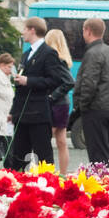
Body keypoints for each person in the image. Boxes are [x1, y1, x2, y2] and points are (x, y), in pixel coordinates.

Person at [5, 17, 68, 170]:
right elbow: (19, 89)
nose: (23, 32)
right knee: (18, 154)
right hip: (22, 113)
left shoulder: (49, 53)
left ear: (32, 30)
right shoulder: (26, 54)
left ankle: (48, 184)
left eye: (25, 29)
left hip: (39, 113)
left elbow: (55, 80)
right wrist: (13, 112)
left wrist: (29, 81)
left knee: (43, 155)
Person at [73, 17, 109, 164]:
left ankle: (103, 184)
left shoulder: (93, 53)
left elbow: (89, 83)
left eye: (83, 30)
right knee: (105, 149)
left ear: (88, 31)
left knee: (97, 154)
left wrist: (81, 105)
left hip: (96, 108)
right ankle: (108, 181)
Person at [44, 28, 76, 174]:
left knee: (45, 139)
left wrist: (51, 96)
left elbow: (69, 82)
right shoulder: (63, 59)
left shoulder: (55, 59)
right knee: (61, 141)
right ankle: (62, 173)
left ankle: (48, 172)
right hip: (63, 103)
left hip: (55, 104)